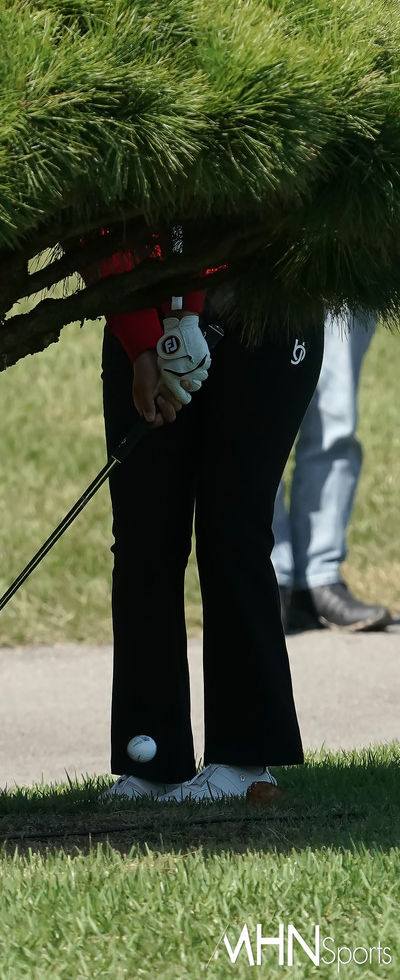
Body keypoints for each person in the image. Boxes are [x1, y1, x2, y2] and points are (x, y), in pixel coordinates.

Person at [98, 236, 324, 801]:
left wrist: (187, 312)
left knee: (233, 528)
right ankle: (152, 755)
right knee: (144, 537)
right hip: (146, 309)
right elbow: (97, 237)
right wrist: (144, 342)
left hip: (265, 304)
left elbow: (218, 218)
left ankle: (246, 761)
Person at [272, 311, 392, 634]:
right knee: (261, 423)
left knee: (337, 421)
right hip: (259, 280)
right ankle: (269, 575)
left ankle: (319, 578)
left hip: (344, 282)